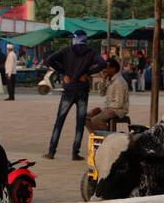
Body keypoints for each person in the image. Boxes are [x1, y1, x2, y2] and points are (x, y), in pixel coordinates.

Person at [42, 30, 105, 161]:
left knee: (59, 121)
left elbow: (49, 60)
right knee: (80, 122)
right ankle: (75, 153)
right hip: (82, 90)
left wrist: (64, 72)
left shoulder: (66, 50)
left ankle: (51, 152)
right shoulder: (91, 52)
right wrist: (87, 73)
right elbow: (103, 64)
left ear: (75, 39)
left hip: (69, 90)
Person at [88, 57, 130, 130]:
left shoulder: (119, 82)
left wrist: (102, 109)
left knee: (95, 120)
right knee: (86, 117)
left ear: (113, 69)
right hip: (109, 108)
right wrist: (103, 79)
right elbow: (101, 93)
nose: (104, 70)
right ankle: (98, 136)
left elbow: (118, 104)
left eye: (106, 68)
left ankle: (108, 137)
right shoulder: (110, 80)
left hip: (118, 110)